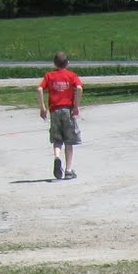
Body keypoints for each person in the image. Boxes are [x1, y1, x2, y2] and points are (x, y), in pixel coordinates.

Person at [37, 51, 83, 180]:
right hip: (67, 110)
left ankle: (57, 158)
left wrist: (42, 108)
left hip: (54, 111)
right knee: (69, 140)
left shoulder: (49, 76)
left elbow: (40, 89)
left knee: (57, 139)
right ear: (67, 63)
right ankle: (68, 170)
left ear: (54, 63)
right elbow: (79, 88)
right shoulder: (71, 75)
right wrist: (76, 105)